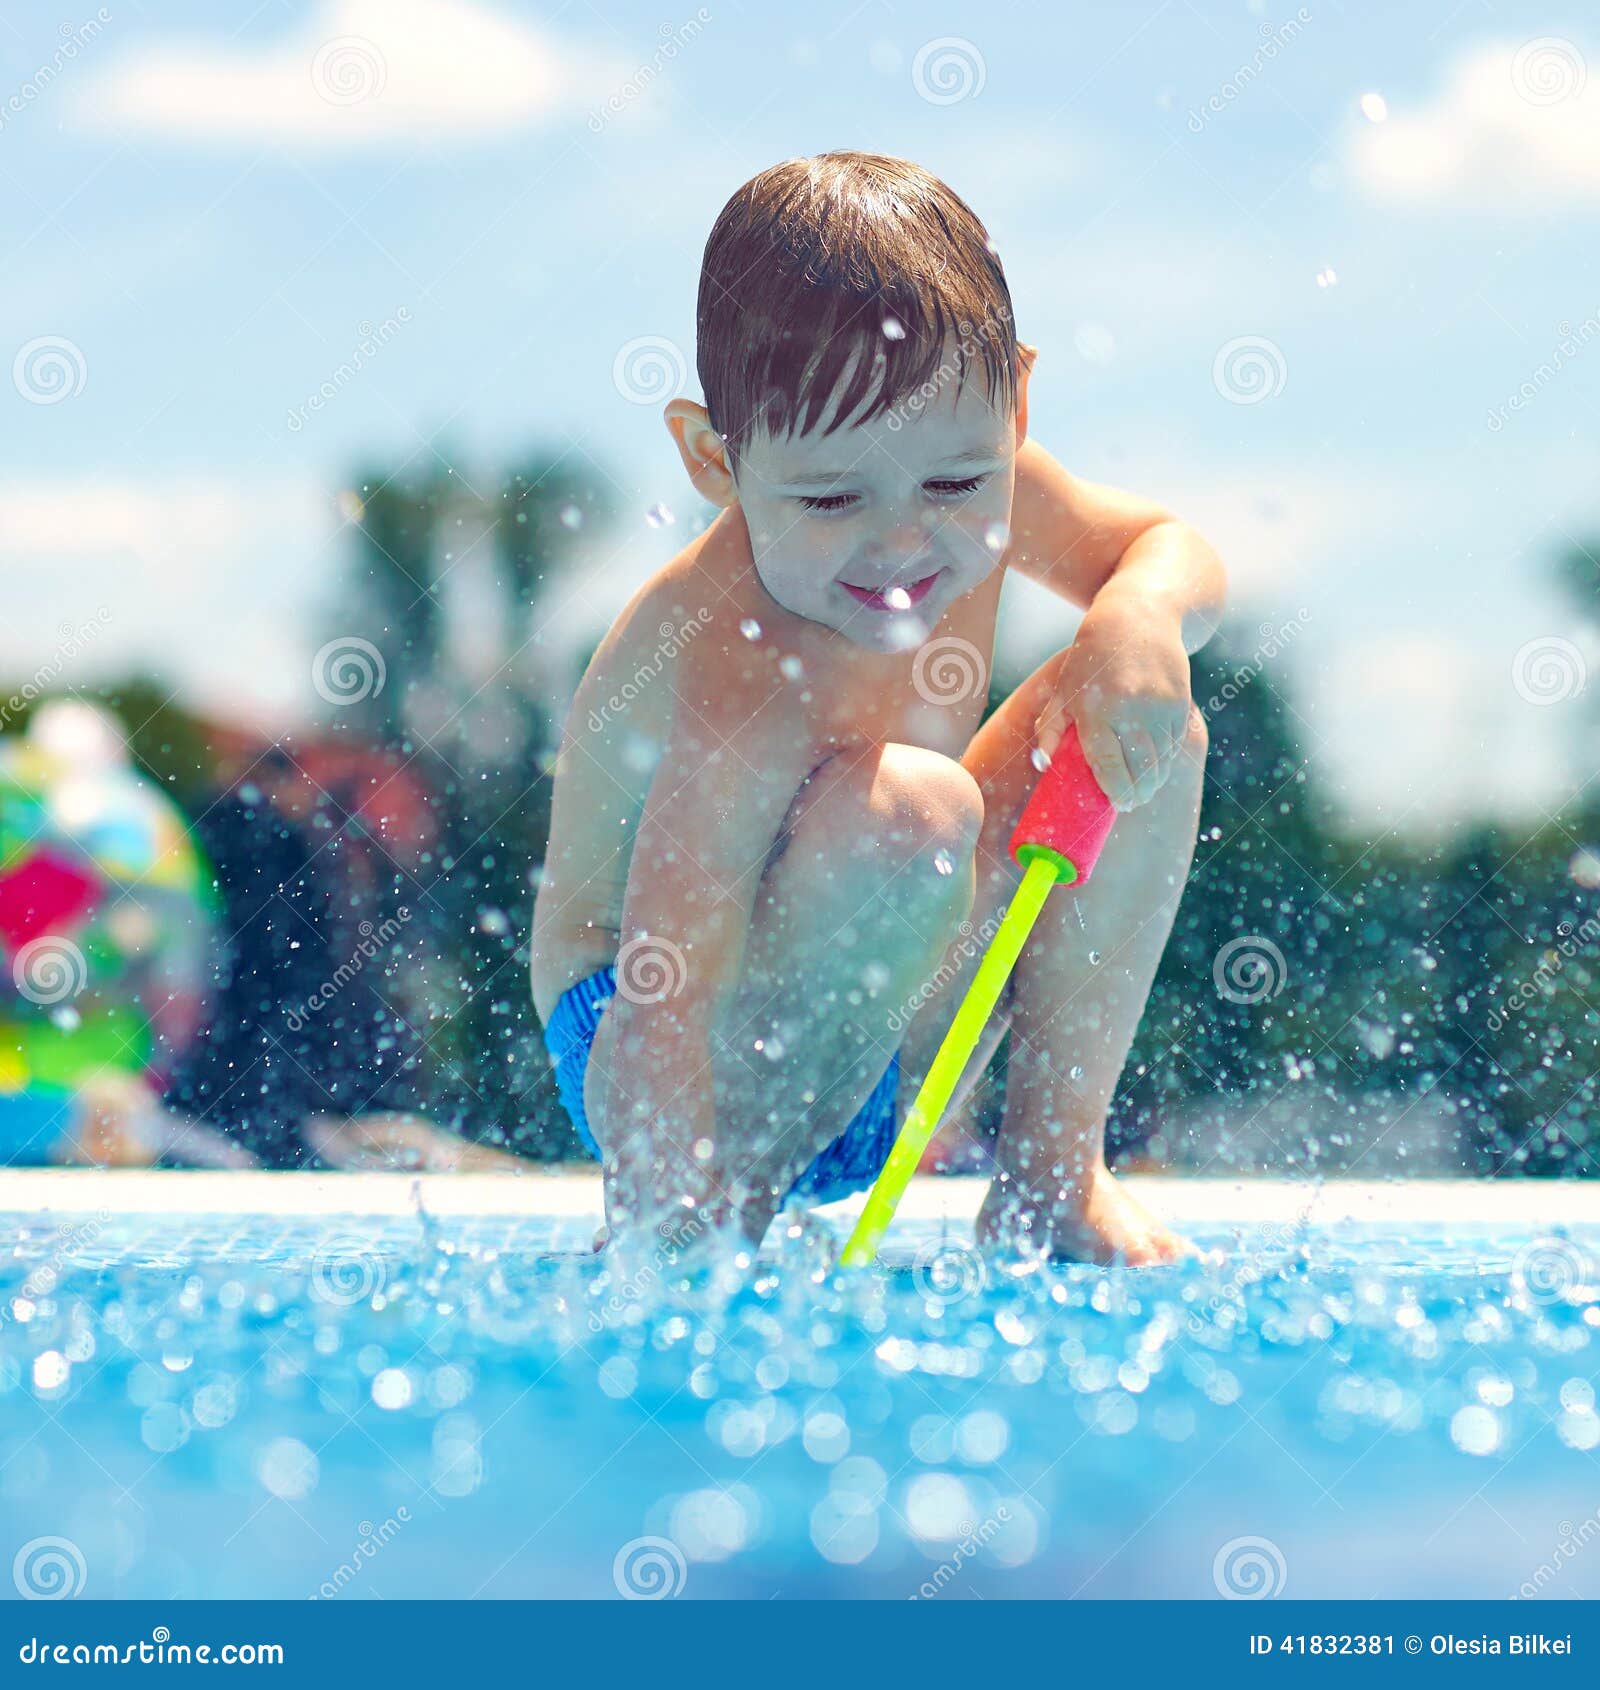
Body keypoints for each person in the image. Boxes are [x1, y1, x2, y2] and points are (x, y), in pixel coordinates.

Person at [532, 152, 1226, 1263]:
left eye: (956, 483)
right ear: (717, 459)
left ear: (1016, 407)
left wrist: (1138, 616)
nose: (904, 541)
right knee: (908, 812)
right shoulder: (731, 654)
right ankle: (735, 1207)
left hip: (879, 1003)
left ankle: (1054, 1176)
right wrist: (671, 1217)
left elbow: (1168, 548)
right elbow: (668, 981)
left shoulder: (978, 473)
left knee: (1143, 726)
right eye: (831, 496)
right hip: (668, 1048)